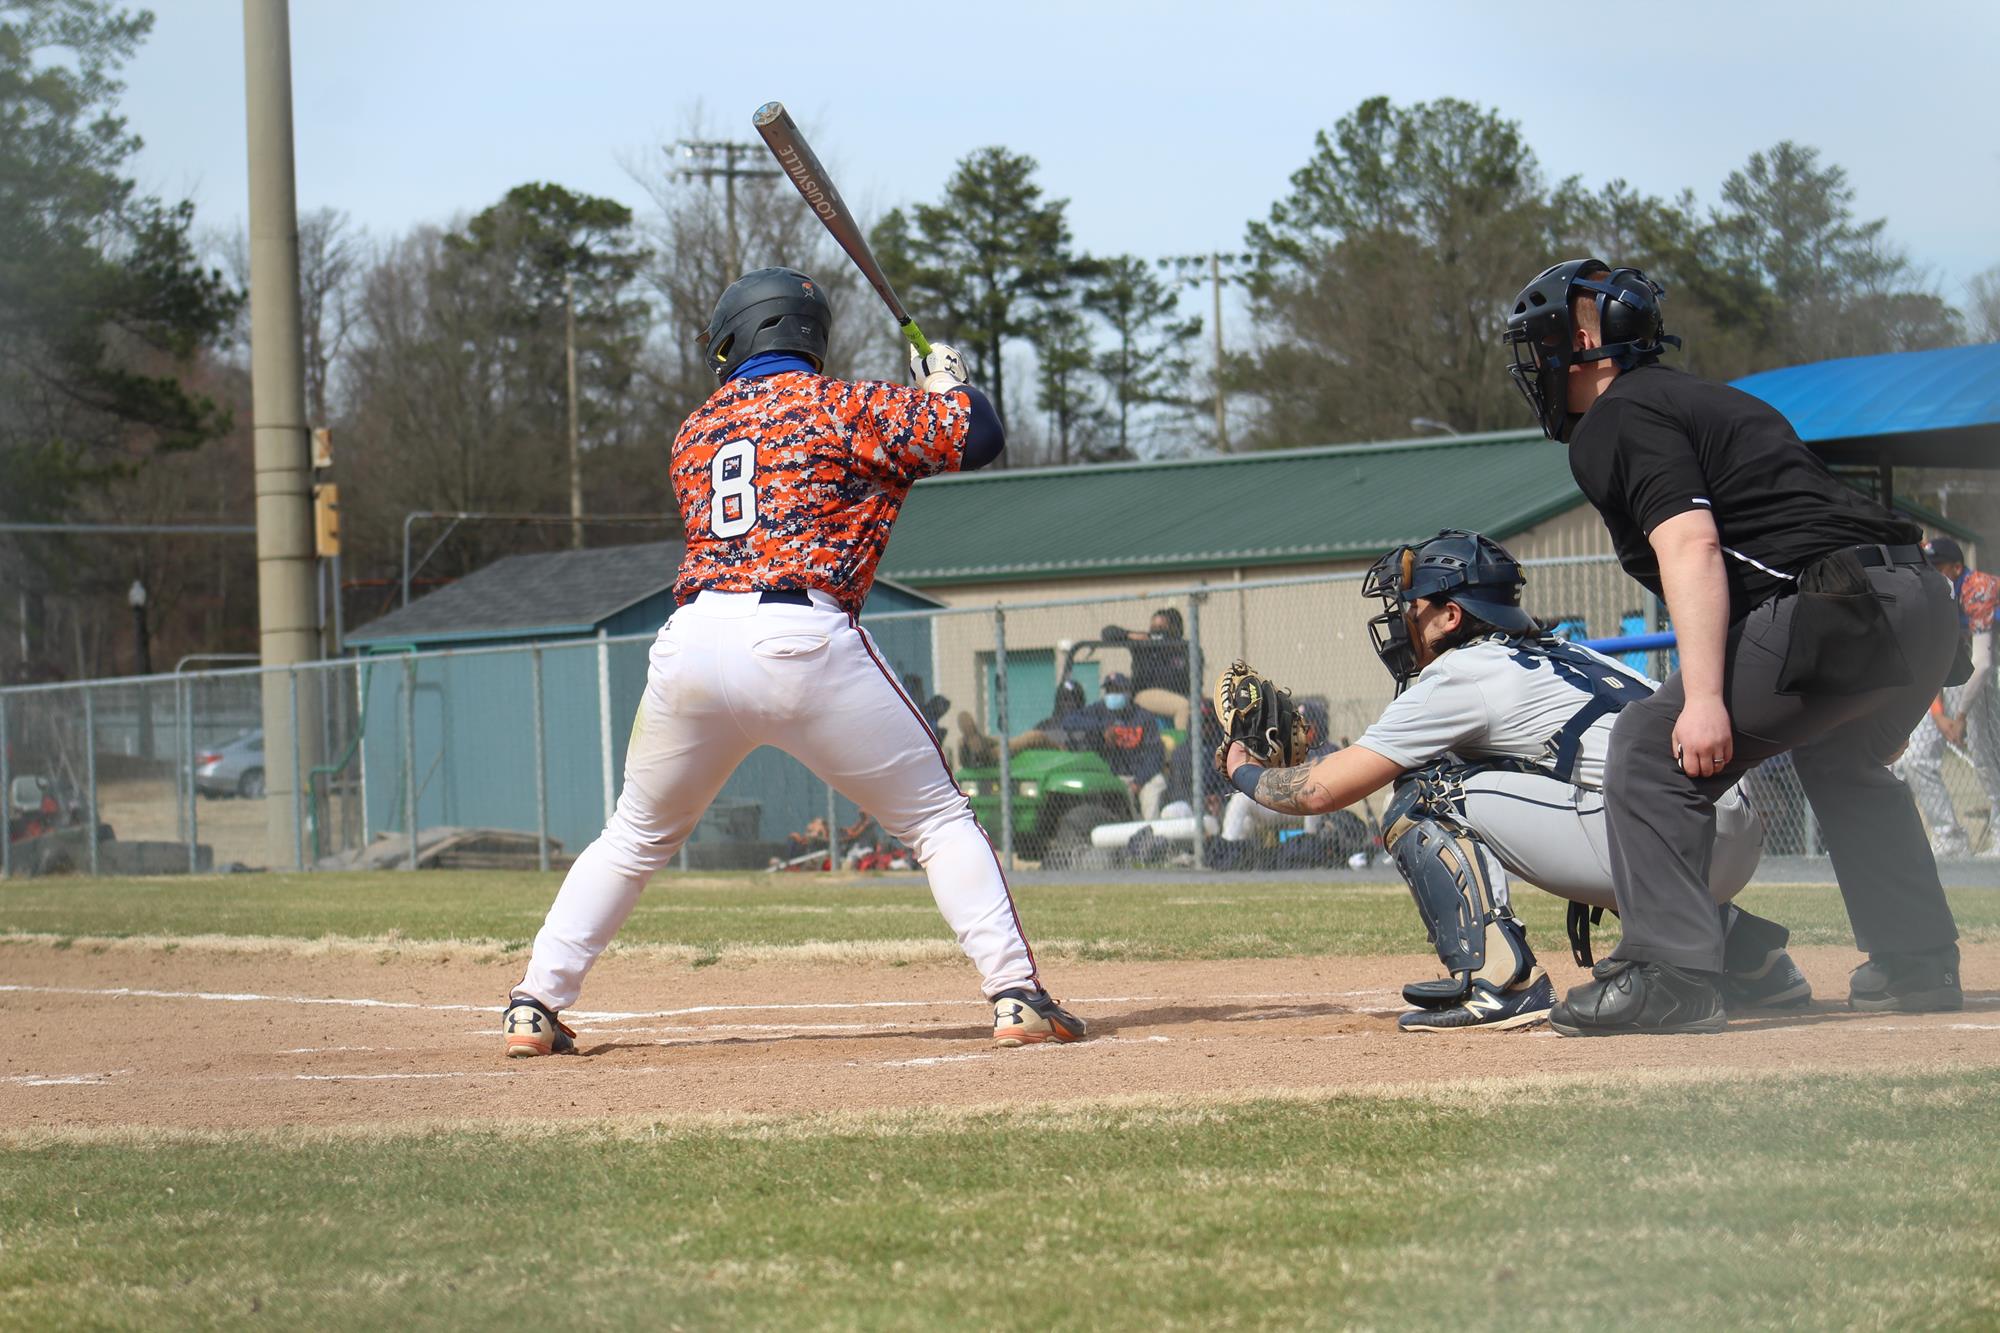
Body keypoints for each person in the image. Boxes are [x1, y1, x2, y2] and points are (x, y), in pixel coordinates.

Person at [503, 267, 1085, 1057]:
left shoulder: (694, 431)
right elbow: (978, 437)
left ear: (736, 337)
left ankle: (534, 1001)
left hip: (692, 644)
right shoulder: (843, 404)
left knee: (633, 835)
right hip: (799, 635)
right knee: (940, 819)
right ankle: (1015, 992)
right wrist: (951, 386)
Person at [1503, 258, 1962, 1035]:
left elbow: (1693, 549)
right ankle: (1917, 958)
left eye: (1544, 338)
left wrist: (1707, 699)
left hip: (1847, 605)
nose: (1537, 359)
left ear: (1585, 341)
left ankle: (1672, 973)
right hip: (1923, 601)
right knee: (1843, 756)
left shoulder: (1616, 417)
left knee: (1650, 745)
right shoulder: (1709, 397)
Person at [1220, 530, 1805, 1031]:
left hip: (1663, 839)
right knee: (1553, 775)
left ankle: (1501, 979)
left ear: (1451, 615)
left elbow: (1322, 792)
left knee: (1426, 793)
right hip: (1724, 833)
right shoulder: (1571, 654)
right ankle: (1749, 957)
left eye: (1413, 606)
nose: (1401, 621)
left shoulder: (1461, 674)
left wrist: (1240, 766)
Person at [1896, 536, 2000, 857]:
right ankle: (1950, 838)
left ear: (1957, 567)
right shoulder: (1931, 596)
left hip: (1988, 675)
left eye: (1938, 567)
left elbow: (1982, 665)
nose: (1932, 573)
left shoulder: (1977, 588)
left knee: (1986, 758)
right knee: (1915, 757)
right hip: (1957, 679)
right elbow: (1929, 661)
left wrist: (1960, 717)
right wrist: (1940, 715)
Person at [1059, 672, 1168, 819]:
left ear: (1127, 692)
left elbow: (1155, 754)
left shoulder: (1143, 717)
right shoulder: (1099, 710)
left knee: (1157, 783)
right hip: (1112, 776)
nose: (1112, 694)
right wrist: (1102, 727)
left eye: (1117, 690)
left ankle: (1152, 832)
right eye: (1109, 690)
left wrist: (1139, 782)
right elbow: (1068, 721)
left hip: (1141, 775)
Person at [1104, 609, 1193, 730]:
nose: (1157, 630)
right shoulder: (1143, 643)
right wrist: (1129, 634)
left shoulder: (1183, 648)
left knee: (1208, 707)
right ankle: (1183, 746)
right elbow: (1107, 632)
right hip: (1145, 693)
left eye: (1162, 626)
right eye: (1154, 626)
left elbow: (1192, 679)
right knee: (1183, 706)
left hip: (1177, 694)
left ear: (1173, 627)